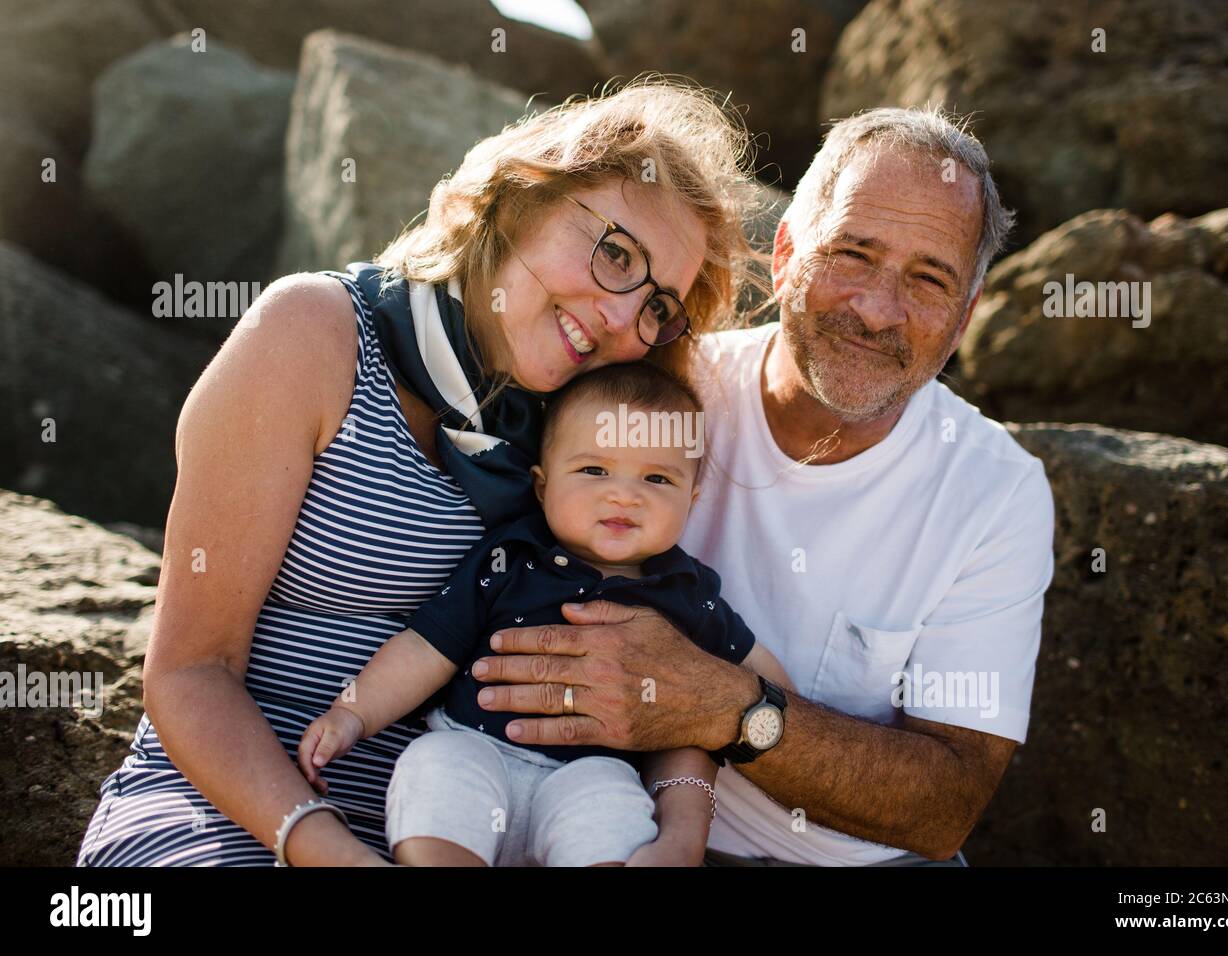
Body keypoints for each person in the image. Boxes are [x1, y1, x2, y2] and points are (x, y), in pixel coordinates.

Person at [76, 79, 764, 866]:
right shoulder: (313, 334)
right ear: (521, 196)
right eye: (616, 253)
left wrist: (679, 840)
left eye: (657, 308)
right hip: (235, 815)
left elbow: (656, 655)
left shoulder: (590, 447)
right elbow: (191, 672)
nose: (619, 318)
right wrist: (325, 847)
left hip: (469, 832)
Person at [467, 106, 1057, 866]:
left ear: (965, 316)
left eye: (928, 279)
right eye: (853, 254)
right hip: (613, 828)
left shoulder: (996, 491)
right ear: (785, 254)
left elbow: (946, 806)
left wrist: (725, 709)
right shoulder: (654, 394)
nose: (878, 310)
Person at [298, 362, 791, 866]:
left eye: (657, 477)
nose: (624, 494)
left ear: (691, 499)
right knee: (436, 766)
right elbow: (428, 646)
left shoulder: (687, 593)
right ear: (542, 485)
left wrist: (790, 713)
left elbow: (759, 671)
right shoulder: (510, 556)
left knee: (613, 809)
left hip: (592, 770)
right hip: (476, 746)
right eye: (594, 470)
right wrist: (353, 714)